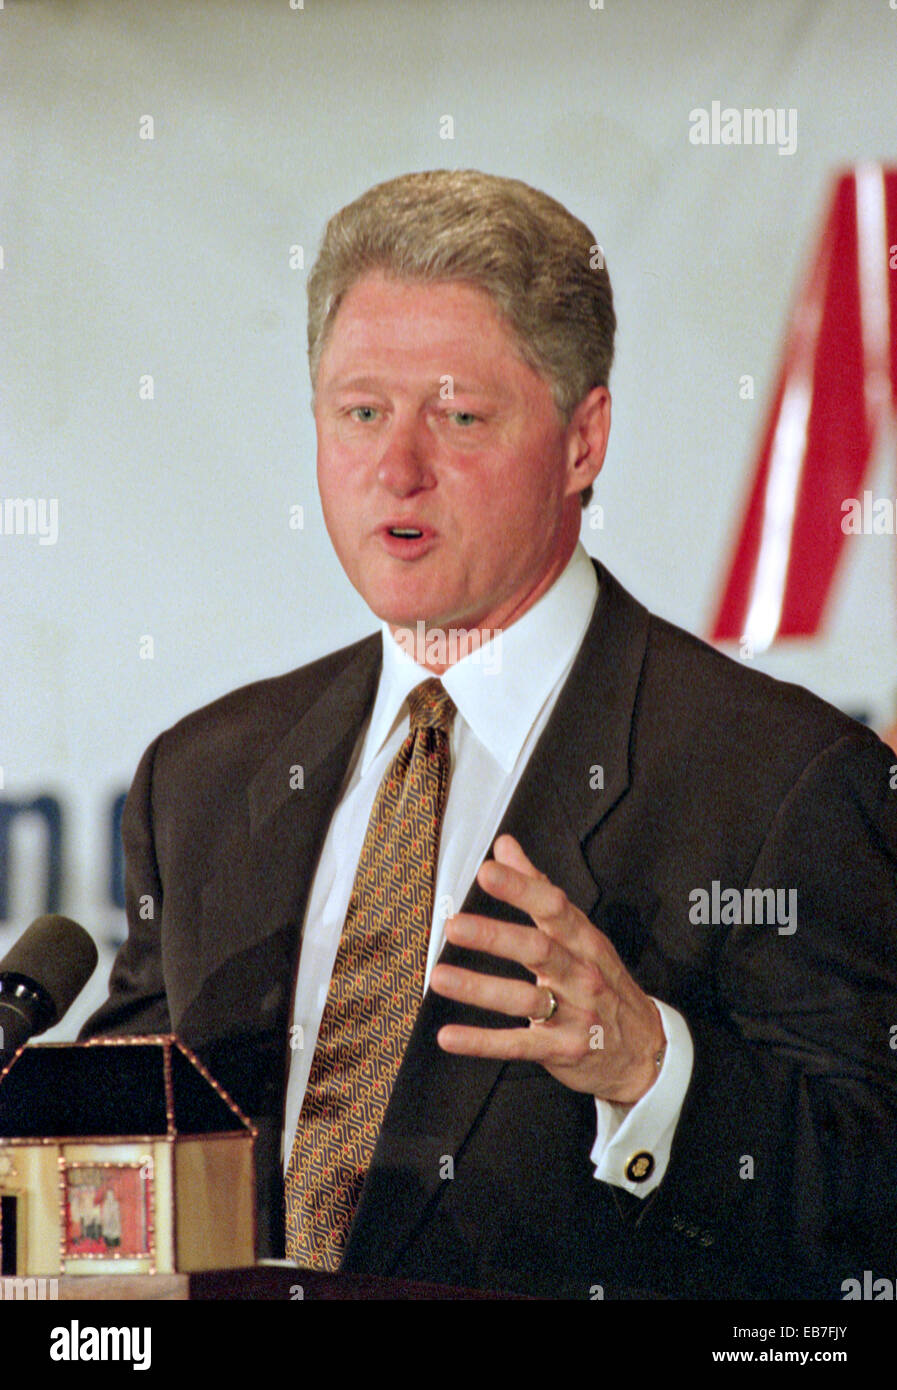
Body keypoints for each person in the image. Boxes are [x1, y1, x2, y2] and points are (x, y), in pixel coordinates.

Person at [81, 169, 897, 1300]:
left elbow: (870, 1210)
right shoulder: (203, 779)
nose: (397, 468)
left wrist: (652, 1071)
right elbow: (116, 1151)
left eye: (459, 417)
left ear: (582, 441)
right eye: (360, 412)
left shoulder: (778, 780)